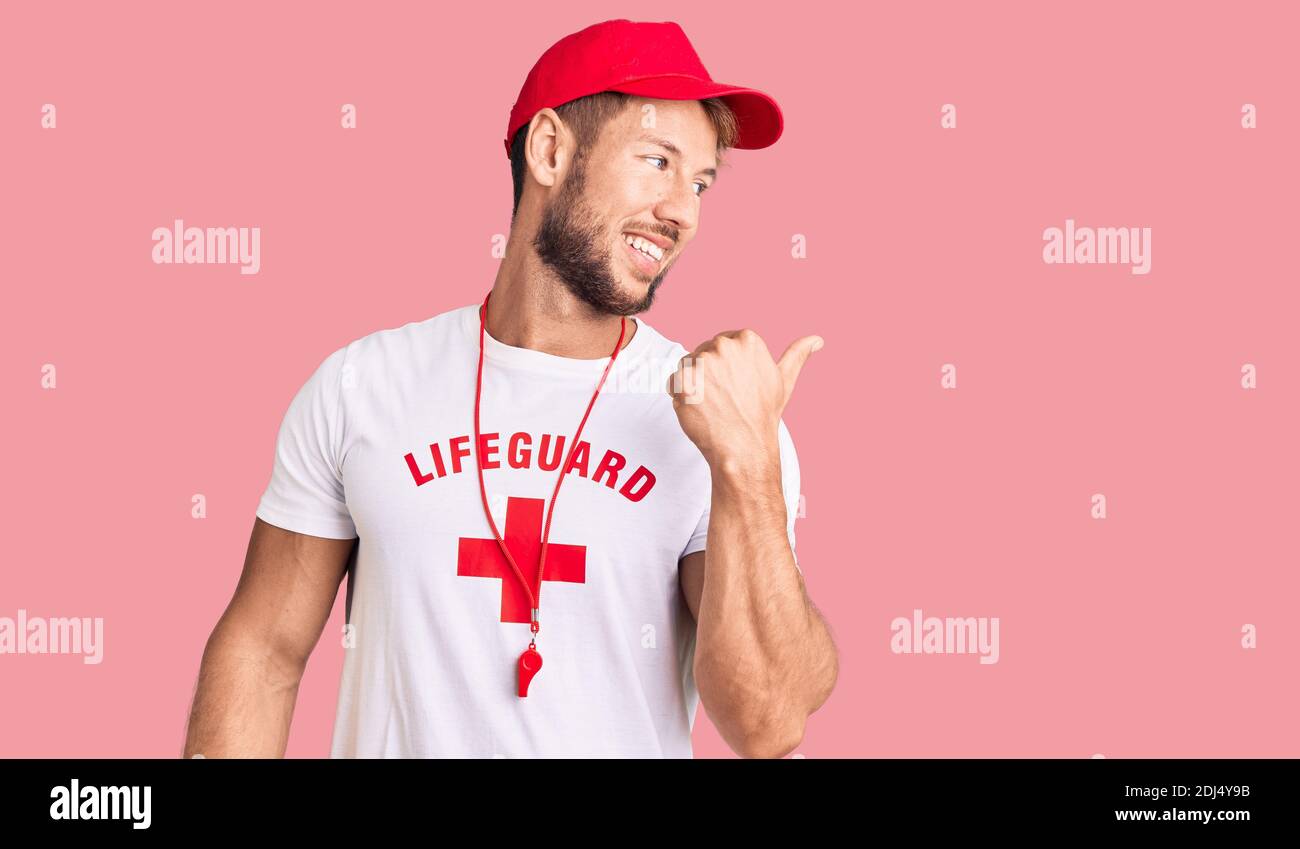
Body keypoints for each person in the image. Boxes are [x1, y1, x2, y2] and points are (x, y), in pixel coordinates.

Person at [184, 18, 837, 759]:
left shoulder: (721, 419)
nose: (683, 211)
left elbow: (768, 721)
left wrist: (747, 468)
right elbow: (263, 648)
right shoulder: (361, 386)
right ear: (552, 150)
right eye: (658, 161)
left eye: (700, 182)